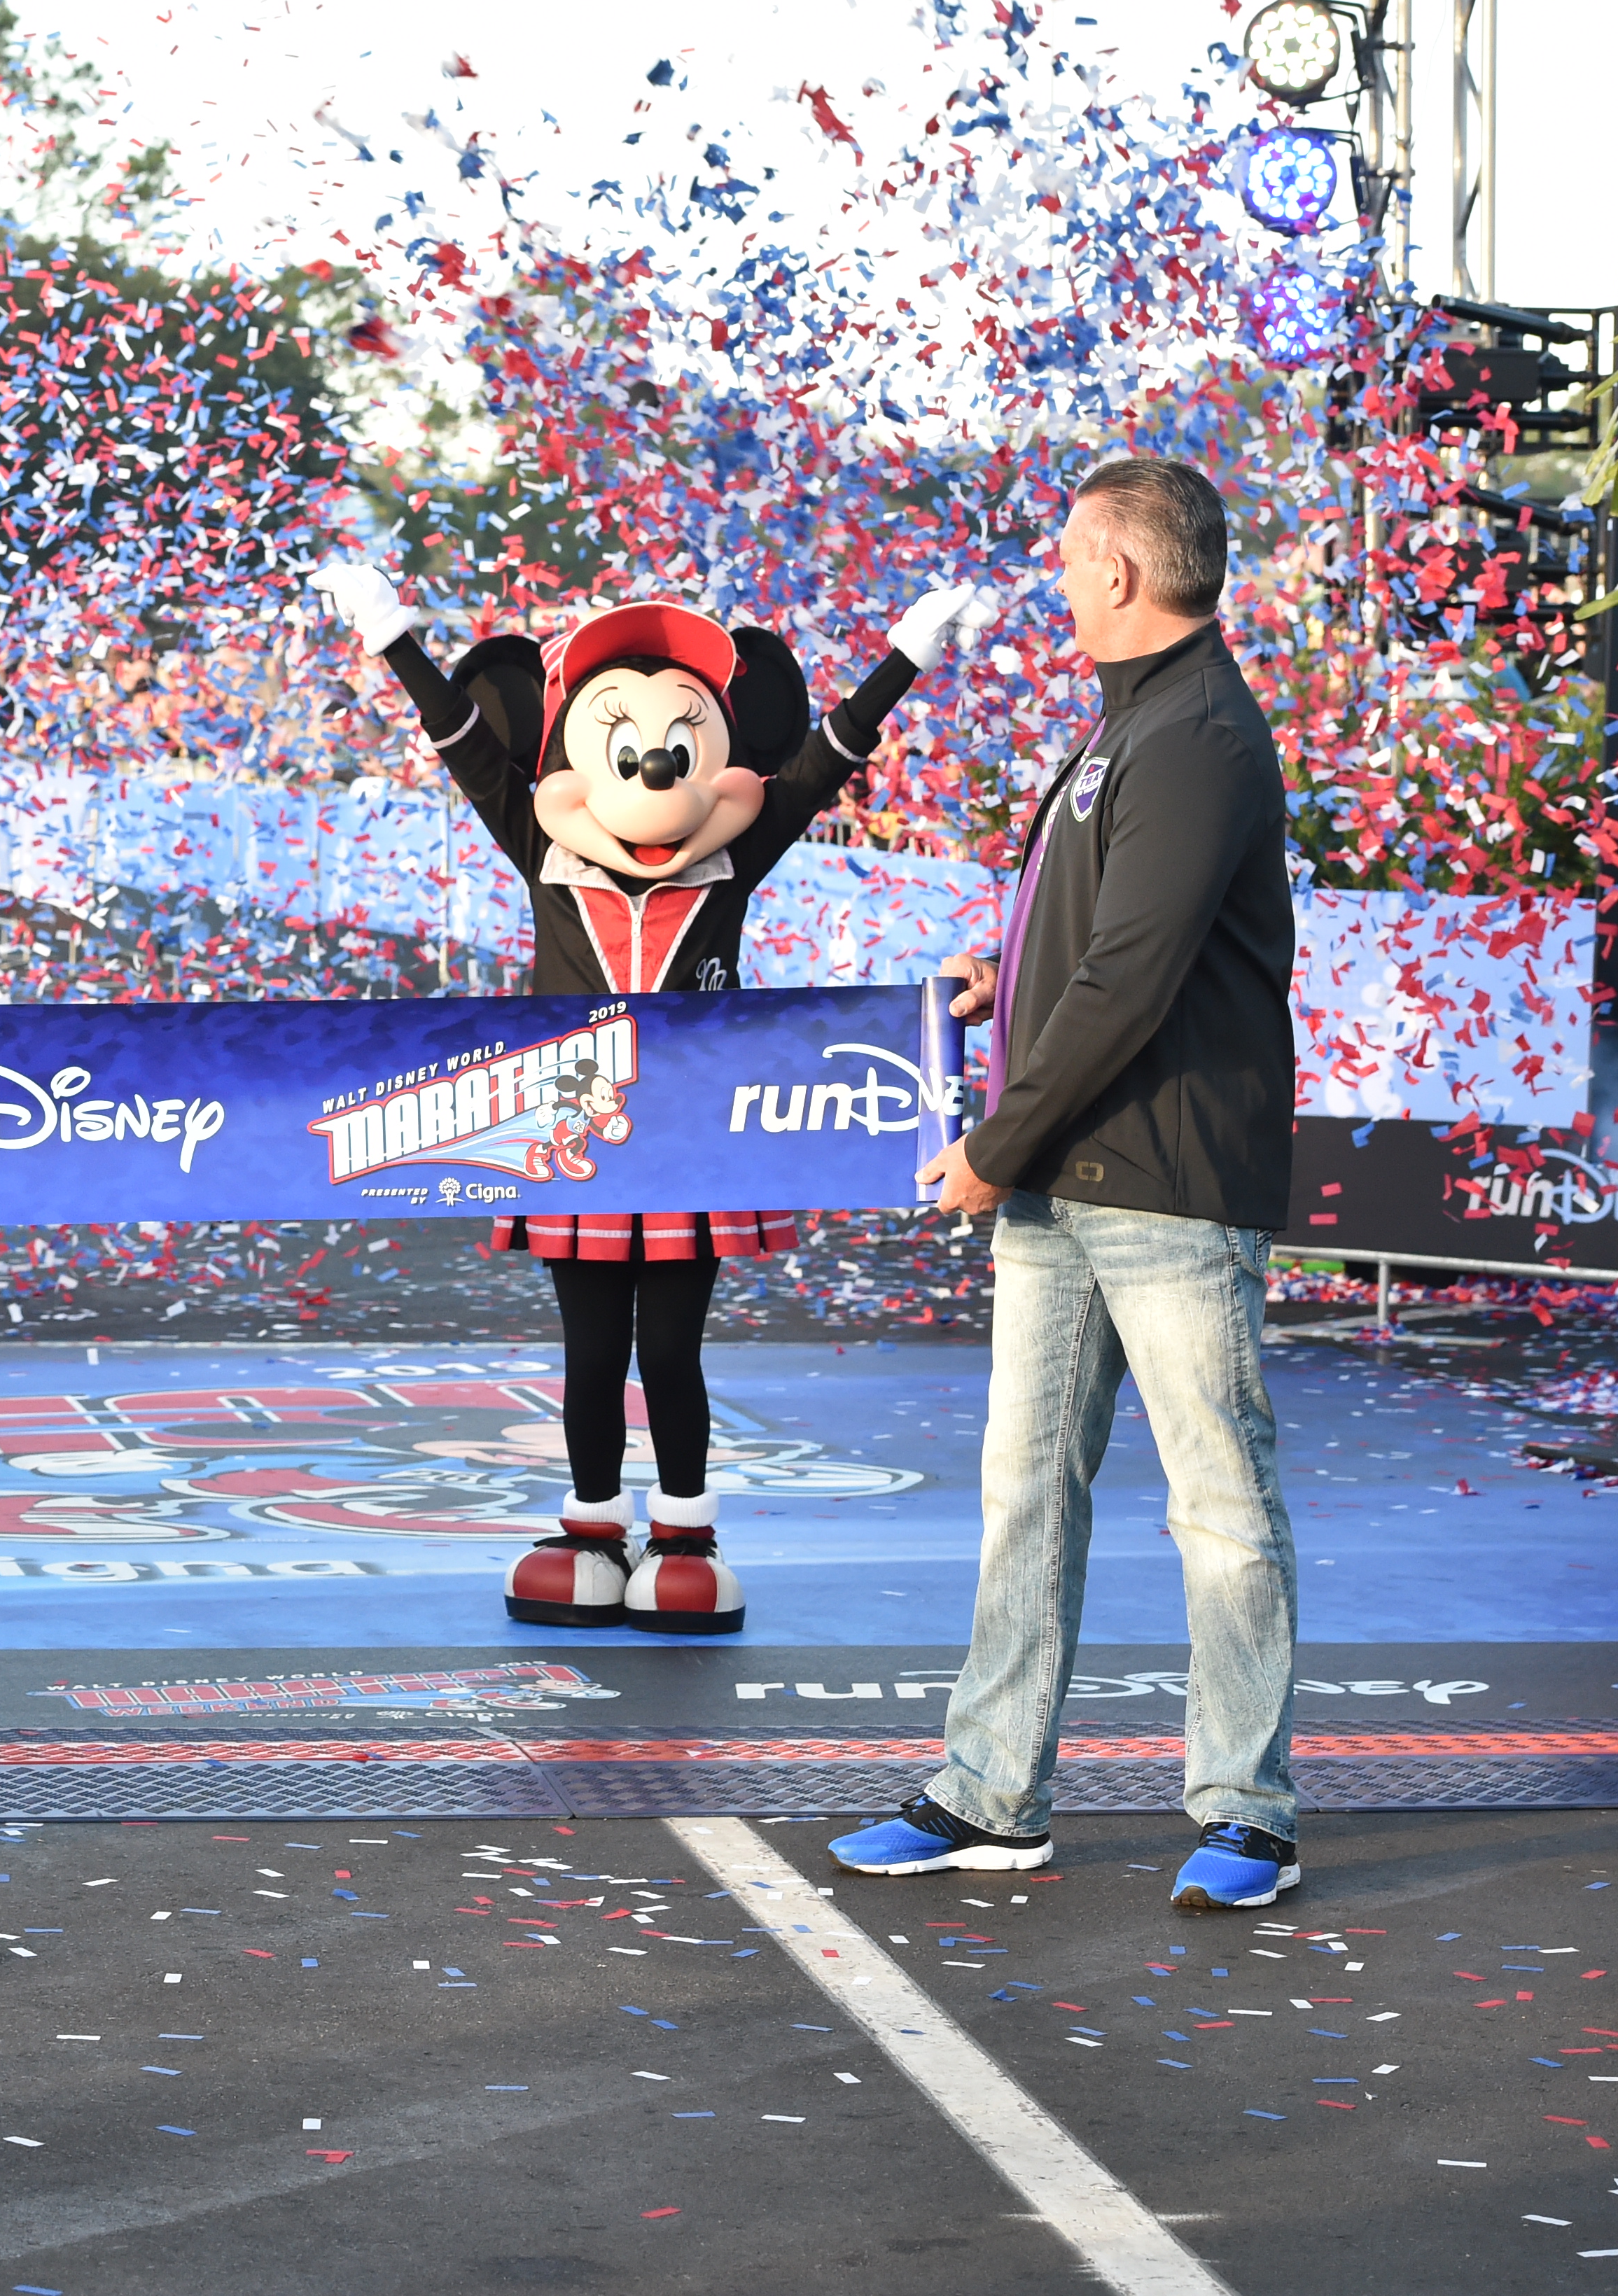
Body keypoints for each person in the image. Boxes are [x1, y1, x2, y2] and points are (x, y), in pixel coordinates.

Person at [312, 564, 995, 1631]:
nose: (653, 768)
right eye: (621, 741)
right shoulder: (543, 852)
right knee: (591, 1352)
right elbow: (465, 746)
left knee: (672, 1350)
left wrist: (906, 654)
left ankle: (685, 1526)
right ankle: (591, 1521)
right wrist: (393, 637)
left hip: (693, 1146)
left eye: (683, 742)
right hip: (578, 1147)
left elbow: (826, 764)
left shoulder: (736, 859)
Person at [830, 455, 1301, 1913]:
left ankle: (1248, 1811)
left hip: (1160, 1183)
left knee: (1216, 1501)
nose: (1051, 581)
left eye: (1065, 557)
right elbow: (1091, 947)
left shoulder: (1199, 731)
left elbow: (1132, 980)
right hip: (1071, 1184)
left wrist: (993, 1144)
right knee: (1025, 1488)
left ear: (1117, 573)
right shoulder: (1134, 724)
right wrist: (1002, 969)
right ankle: (990, 1792)